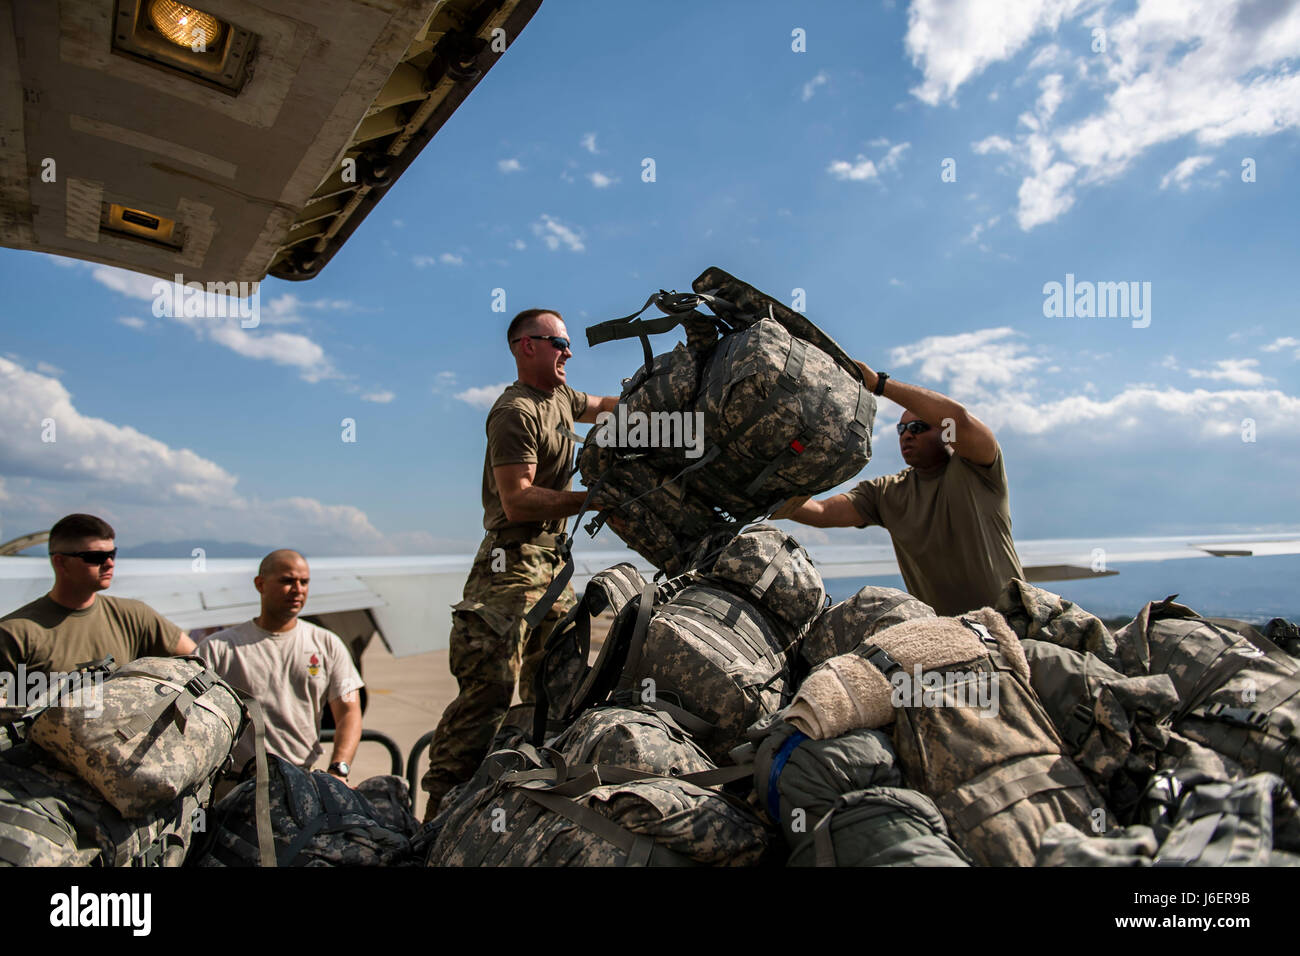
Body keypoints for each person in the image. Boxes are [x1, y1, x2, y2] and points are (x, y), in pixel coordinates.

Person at [420, 308, 617, 817]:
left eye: (569, 343)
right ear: (525, 346)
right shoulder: (515, 412)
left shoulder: (560, 398)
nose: (569, 352)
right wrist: (592, 500)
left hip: (553, 564)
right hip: (511, 567)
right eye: (559, 343)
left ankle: (528, 804)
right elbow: (518, 501)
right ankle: (436, 813)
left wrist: (669, 407)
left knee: (558, 690)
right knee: (490, 694)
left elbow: (603, 407)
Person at [784, 360, 1025, 616]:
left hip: (1015, 627)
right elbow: (820, 512)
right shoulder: (886, 492)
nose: (907, 435)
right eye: (901, 429)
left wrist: (879, 384)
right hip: (952, 639)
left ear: (945, 433)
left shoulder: (977, 469)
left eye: (918, 427)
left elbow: (960, 421)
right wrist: (765, 489)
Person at [196, 549, 363, 784]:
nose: (298, 589)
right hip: (236, 788)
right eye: (287, 581)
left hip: (301, 785)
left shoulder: (327, 644)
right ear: (260, 584)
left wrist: (339, 768)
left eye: (304, 582)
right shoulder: (219, 649)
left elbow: (348, 711)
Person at [0, 514, 196, 684]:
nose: (109, 563)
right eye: (95, 557)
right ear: (60, 562)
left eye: (112, 554)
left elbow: (198, 662)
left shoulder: (134, 616)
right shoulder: (14, 633)